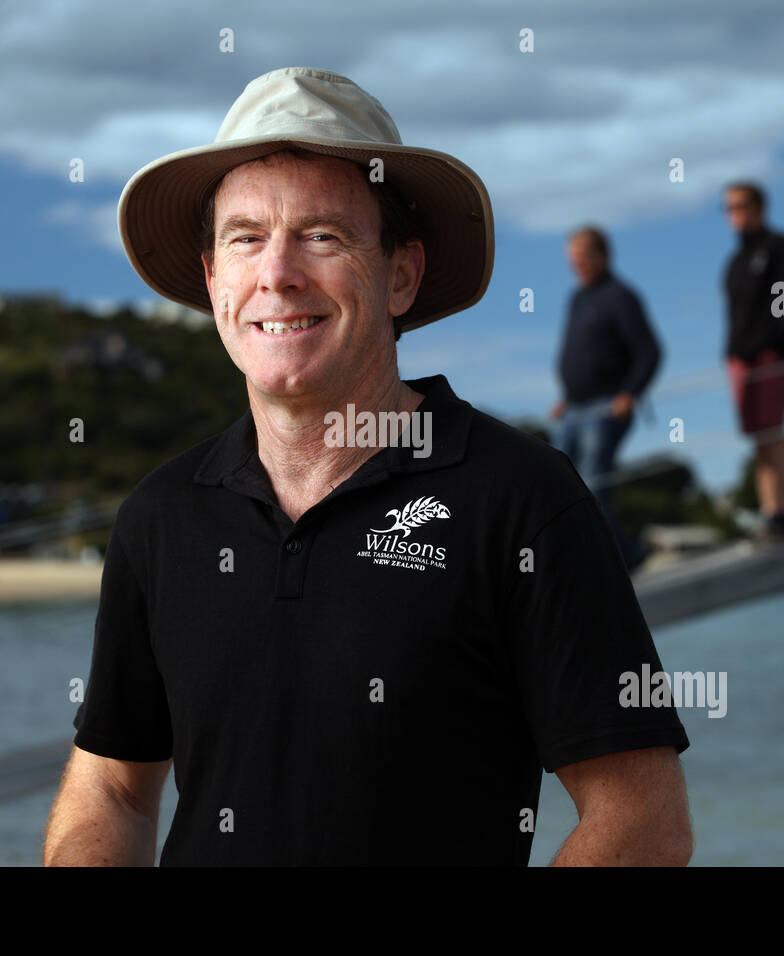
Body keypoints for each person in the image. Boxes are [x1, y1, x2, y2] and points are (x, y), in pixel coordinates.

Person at [45, 67, 691, 867]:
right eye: (245, 237)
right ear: (214, 280)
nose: (276, 273)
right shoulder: (162, 514)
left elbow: (644, 821)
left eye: (322, 235)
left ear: (402, 275)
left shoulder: (522, 497)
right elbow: (112, 787)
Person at [550, 225, 661, 570]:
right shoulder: (578, 298)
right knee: (557, 484)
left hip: (605, 408)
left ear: (602, 256)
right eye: (573, 260)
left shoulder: (620, 296)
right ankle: (590, 558)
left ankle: (623, 557)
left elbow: (649, 351)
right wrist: (566, 396)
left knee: (593, 486)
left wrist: (630, 393)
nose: (577, 265)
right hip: (574, 409)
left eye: (583, 258)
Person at [722, 181, 784, 543]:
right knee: (758, 439)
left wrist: (777, 347)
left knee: (773, 433)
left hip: (773, 358)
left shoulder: (781, 248)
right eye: (729, 208)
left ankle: (782, 514)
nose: (735, 214)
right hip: (741, 360)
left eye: (741, 206)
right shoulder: (735, 262)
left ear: (758, 207)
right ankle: (769, 513)